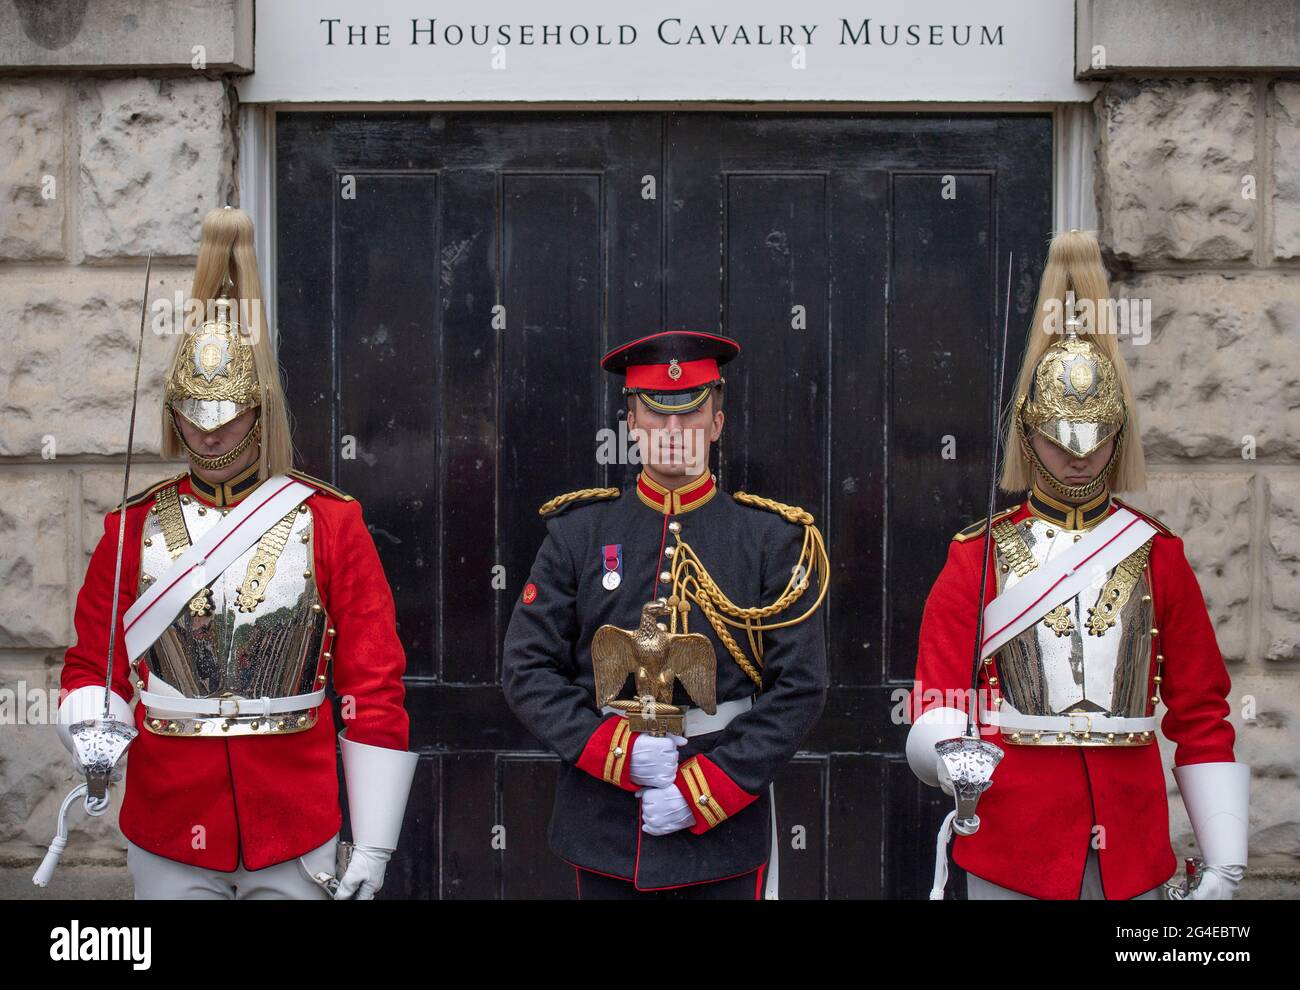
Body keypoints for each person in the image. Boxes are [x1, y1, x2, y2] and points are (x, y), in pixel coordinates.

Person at [56, 207, 418, 899]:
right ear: (174, 413)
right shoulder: (130, 530)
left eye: (227, 416)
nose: (211, 435)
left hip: (294, 823)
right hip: (170, 823)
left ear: (259, 409)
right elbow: (90, 664)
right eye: (194, 415)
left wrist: (372, 841)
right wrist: (92, 722)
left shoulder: (332, 522)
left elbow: (372, 685)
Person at [906, 230, 1249, 900]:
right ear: (1031, 434)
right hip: (1013, 845)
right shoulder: (975, 554)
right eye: (1062, 439)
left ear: (1117, 433)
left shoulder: (1159, 555)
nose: (1080, 456)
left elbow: (1201, 712)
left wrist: (1225, 857)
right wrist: (950, 755)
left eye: (1096, 439)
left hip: (1132, 847)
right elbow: (936, 697)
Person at [502, 330, 829, 899]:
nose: (674, 434)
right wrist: (616, 753)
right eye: (656, 417)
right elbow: (526, 670)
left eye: (691, 416)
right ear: (631, 423)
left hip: (725, 827)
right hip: (603, 825)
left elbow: (800, 686)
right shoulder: (577, 534)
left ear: (718, 424)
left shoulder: (769, 539)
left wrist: (706, 790)